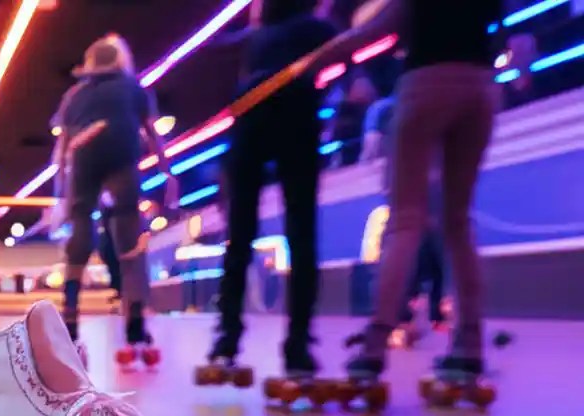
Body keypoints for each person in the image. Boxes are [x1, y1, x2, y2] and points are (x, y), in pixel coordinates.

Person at [319, 0, 502, 380]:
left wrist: (325, 53)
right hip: (480, 86)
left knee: (405, 220)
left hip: (426, 83)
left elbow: (378, 28)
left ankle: (375, 344)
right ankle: (469, 345)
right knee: (457, 222)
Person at [208, 0, 338, 377]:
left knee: (240, 234)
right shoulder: (313, 29)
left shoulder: (256, 37)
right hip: (297, 114)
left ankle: (227, 337)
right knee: (301, 232)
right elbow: (342, 48)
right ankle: (297, 345)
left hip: (251, 118)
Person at [51, 34, 179, 345]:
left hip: (83, 156)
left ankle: (69, 317)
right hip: (123, 157)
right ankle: (135, 324)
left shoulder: (74, 95)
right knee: (128, 241)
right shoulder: (135, 89)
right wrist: (167, 171)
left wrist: (62, 192)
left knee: (81, 233)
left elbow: (62, 147)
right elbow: (152, 134)